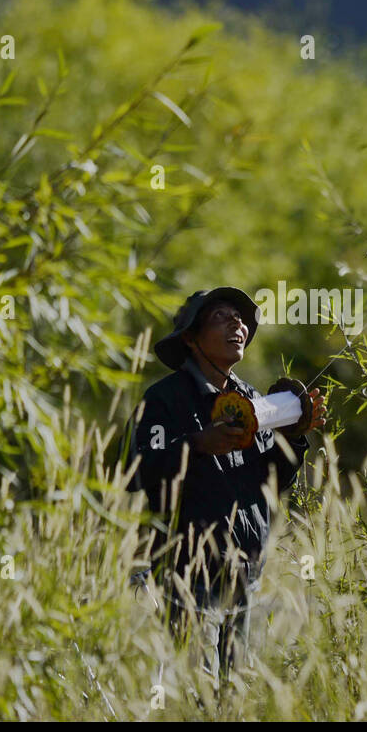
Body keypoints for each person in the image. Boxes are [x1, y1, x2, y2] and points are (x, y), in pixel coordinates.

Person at [127, 287, 325, 685]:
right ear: (189, 337)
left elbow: (272, 481)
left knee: (235, 695)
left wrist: (293, 437)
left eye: (241, 319)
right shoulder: (164, 399)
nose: (237, 323)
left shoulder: (254, 401)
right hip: (189, 575)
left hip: (245, 574)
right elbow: (141, 471)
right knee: (198, 692)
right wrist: (199, 444)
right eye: (221, 316)